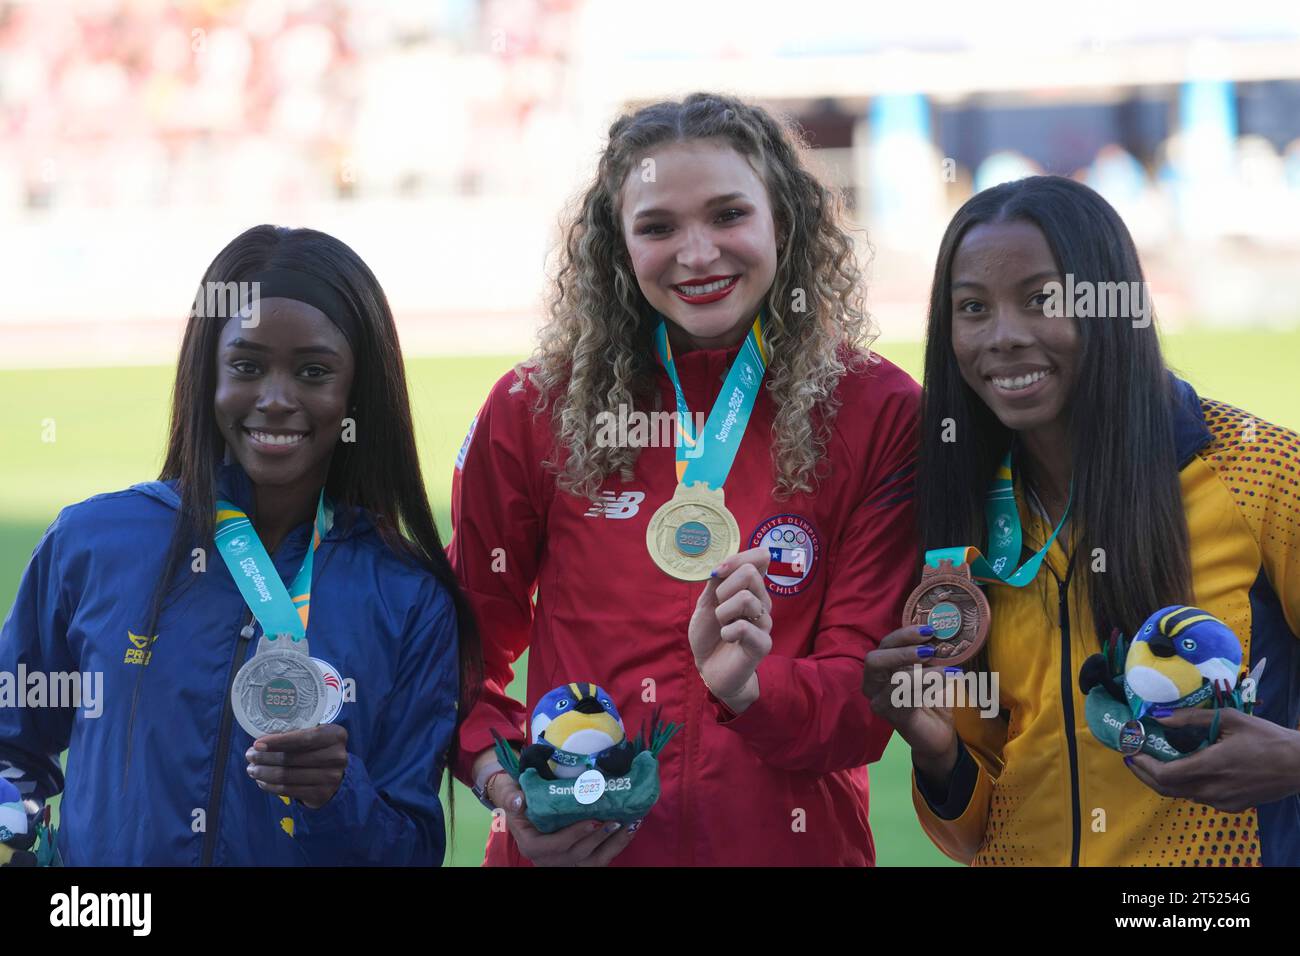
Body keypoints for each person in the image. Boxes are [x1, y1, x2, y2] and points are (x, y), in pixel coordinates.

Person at [451, 92, 920, 866]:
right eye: (658, 227)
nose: (697, 254)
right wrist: (510, 791)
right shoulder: (534, 407)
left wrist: (746, 689)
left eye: (728, 214)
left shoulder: (880, 411)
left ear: (785, 220)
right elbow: (462, 651)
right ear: (616, 245)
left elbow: (863, 703)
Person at [0, 225, 477, 865]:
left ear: (356, 391)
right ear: (208, 374)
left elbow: (412, 850)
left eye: (313, 371)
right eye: (247, 366)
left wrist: (336, 797)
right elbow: (13, 742)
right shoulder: (91, 544)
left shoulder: (407, 596)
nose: (275, 399)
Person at [863, 175, 1300, 866]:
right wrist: (936, 747)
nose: (1002, 337)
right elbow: (974, 830)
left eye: (1041, 300)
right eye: (972, 307)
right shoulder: (964, 512)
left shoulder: (1264, 475)